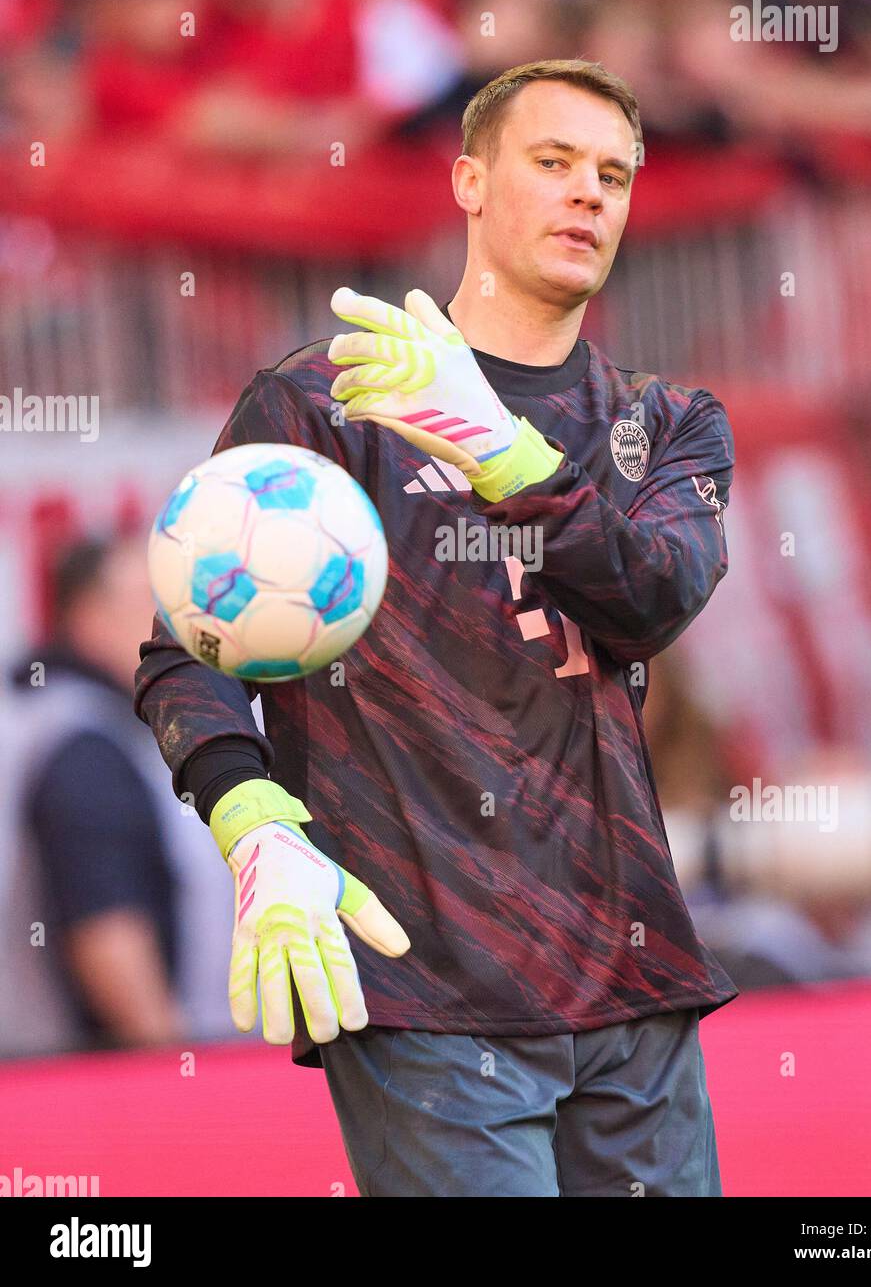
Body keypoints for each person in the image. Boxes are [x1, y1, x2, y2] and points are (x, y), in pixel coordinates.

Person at [135, 58, 739, 1197]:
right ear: (468, 180)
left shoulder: (664, 422)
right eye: (552, 162)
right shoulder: (323, 401)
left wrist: (510, 459)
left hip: (632, 975)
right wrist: (256, 823)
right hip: (429, 987)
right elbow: (184, 650)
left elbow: (656, 592)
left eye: (613, 175)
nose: (588, 195)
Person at [0, 533, 241, 1056]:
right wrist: (172, 1065)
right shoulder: (80, 743)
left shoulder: (54, 721)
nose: (184, 629)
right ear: (90, 616)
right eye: (157, 608)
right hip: (95, 1088)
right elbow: (107, 931)